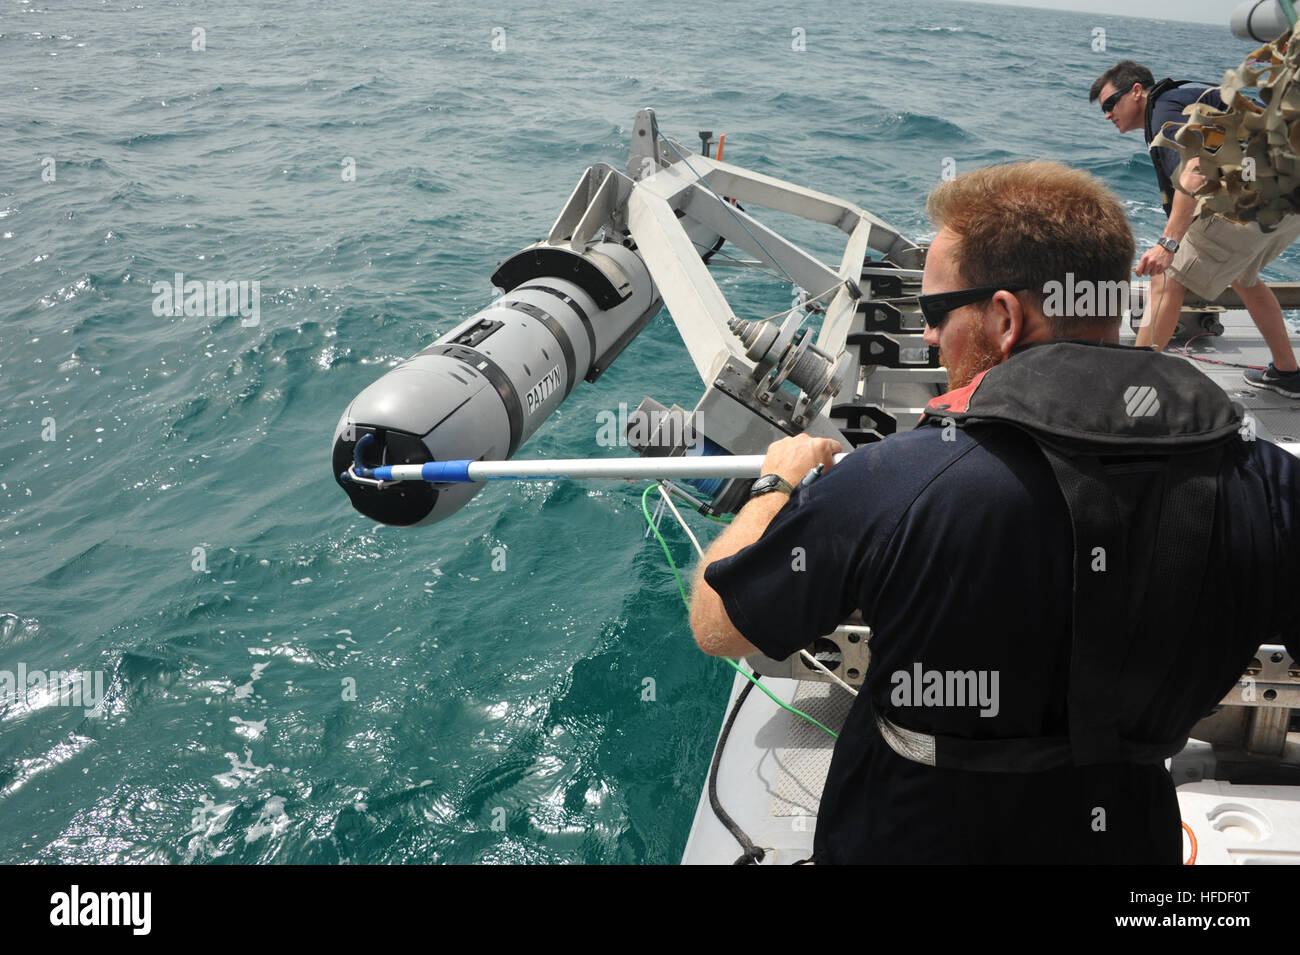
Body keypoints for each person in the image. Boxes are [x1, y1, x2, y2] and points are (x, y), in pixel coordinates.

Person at [688, 160, 1300, 864]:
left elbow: (718, 623)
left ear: (1005, 316)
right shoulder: (1265, 480)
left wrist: (776, 483)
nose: (928, 338)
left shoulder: (897, 481)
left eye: (936, 314)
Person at [1090, 60, 1300, 397]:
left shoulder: (1161, 112)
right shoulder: (1186, 95)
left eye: (1110, 104)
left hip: (1256, 200)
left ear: (1137, 92)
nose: (1107, 114)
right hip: (1291, 202)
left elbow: (1197, 169)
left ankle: (1133, 386)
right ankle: (1288, 374)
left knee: (1166, 277)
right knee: (1243, 277)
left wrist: (1168, 245)